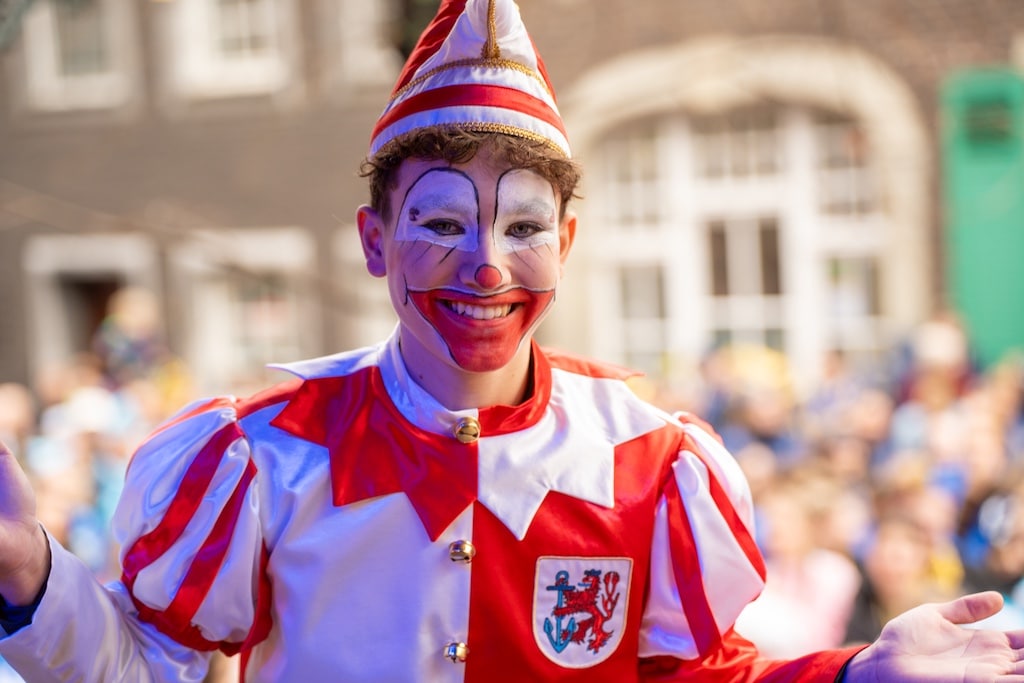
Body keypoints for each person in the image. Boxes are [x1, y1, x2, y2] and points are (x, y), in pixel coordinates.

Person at [1, 0, 1024, 680]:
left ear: (567, 242)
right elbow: (141, 667)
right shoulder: (259, 454)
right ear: (373, 240)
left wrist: (856, 670)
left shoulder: (650, 458)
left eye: (524, 226)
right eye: (442, 223)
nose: (486, 264)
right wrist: (29, 574)